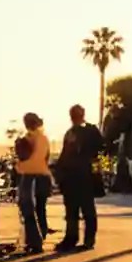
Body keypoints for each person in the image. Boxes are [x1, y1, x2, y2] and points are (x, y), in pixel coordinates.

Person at [54, 104, 104, 252]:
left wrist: (97, 172)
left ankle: (88, 240)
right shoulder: (71, 133)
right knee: (72, 210)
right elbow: (65, 154)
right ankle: (71, 238)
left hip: (85, 176)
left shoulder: (90, 130)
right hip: (72, 177)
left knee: (86, 210)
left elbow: (100, 150)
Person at [14, 112, 51, 254]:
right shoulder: (43, 138)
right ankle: (38, 237)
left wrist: (18, 166)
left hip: (30, 175)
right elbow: (45, 158)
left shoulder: (32, 138)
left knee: (28, 209)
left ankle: (35, 242)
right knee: (39, 209)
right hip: (42, 175)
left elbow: (29, 158)